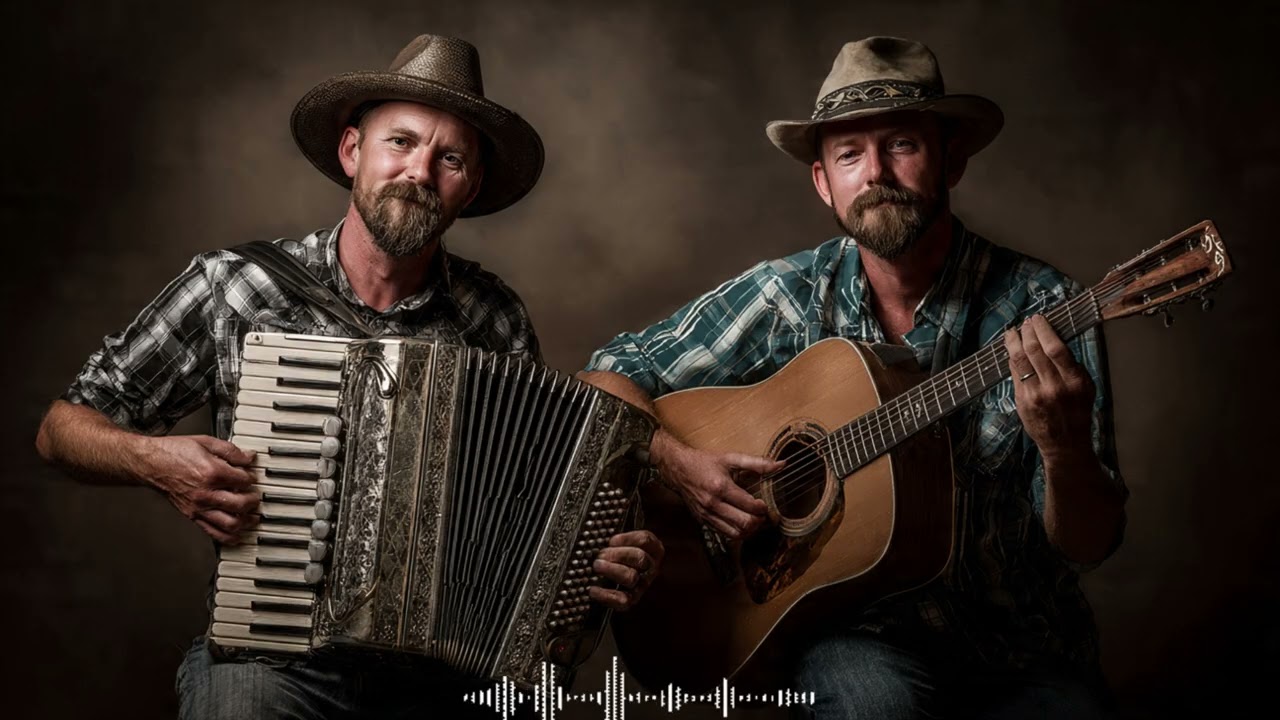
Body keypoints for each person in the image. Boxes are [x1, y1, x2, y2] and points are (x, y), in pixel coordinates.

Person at [35, 34, 662, 720]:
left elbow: (536, 511)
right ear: (352, 152)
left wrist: (598, 558)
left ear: (471, 186)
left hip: (445, 677)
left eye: (449, 157)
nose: (419, 171)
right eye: (400, 142)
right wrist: (155, 460)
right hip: (279, 662)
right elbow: (61, 430)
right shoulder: (235, 286)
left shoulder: (494, 318)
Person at [580, 36, 1127, 719]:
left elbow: (1089, 544)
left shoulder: (1044, 308)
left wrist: (1064, 447)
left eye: (901, 144)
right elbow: (607, 375)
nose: (875, 173)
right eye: (849, 154)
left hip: (1020, 648)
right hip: (856, 638)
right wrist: (681, 462)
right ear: (823, 183)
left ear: (951, 158)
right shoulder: (789, 294)